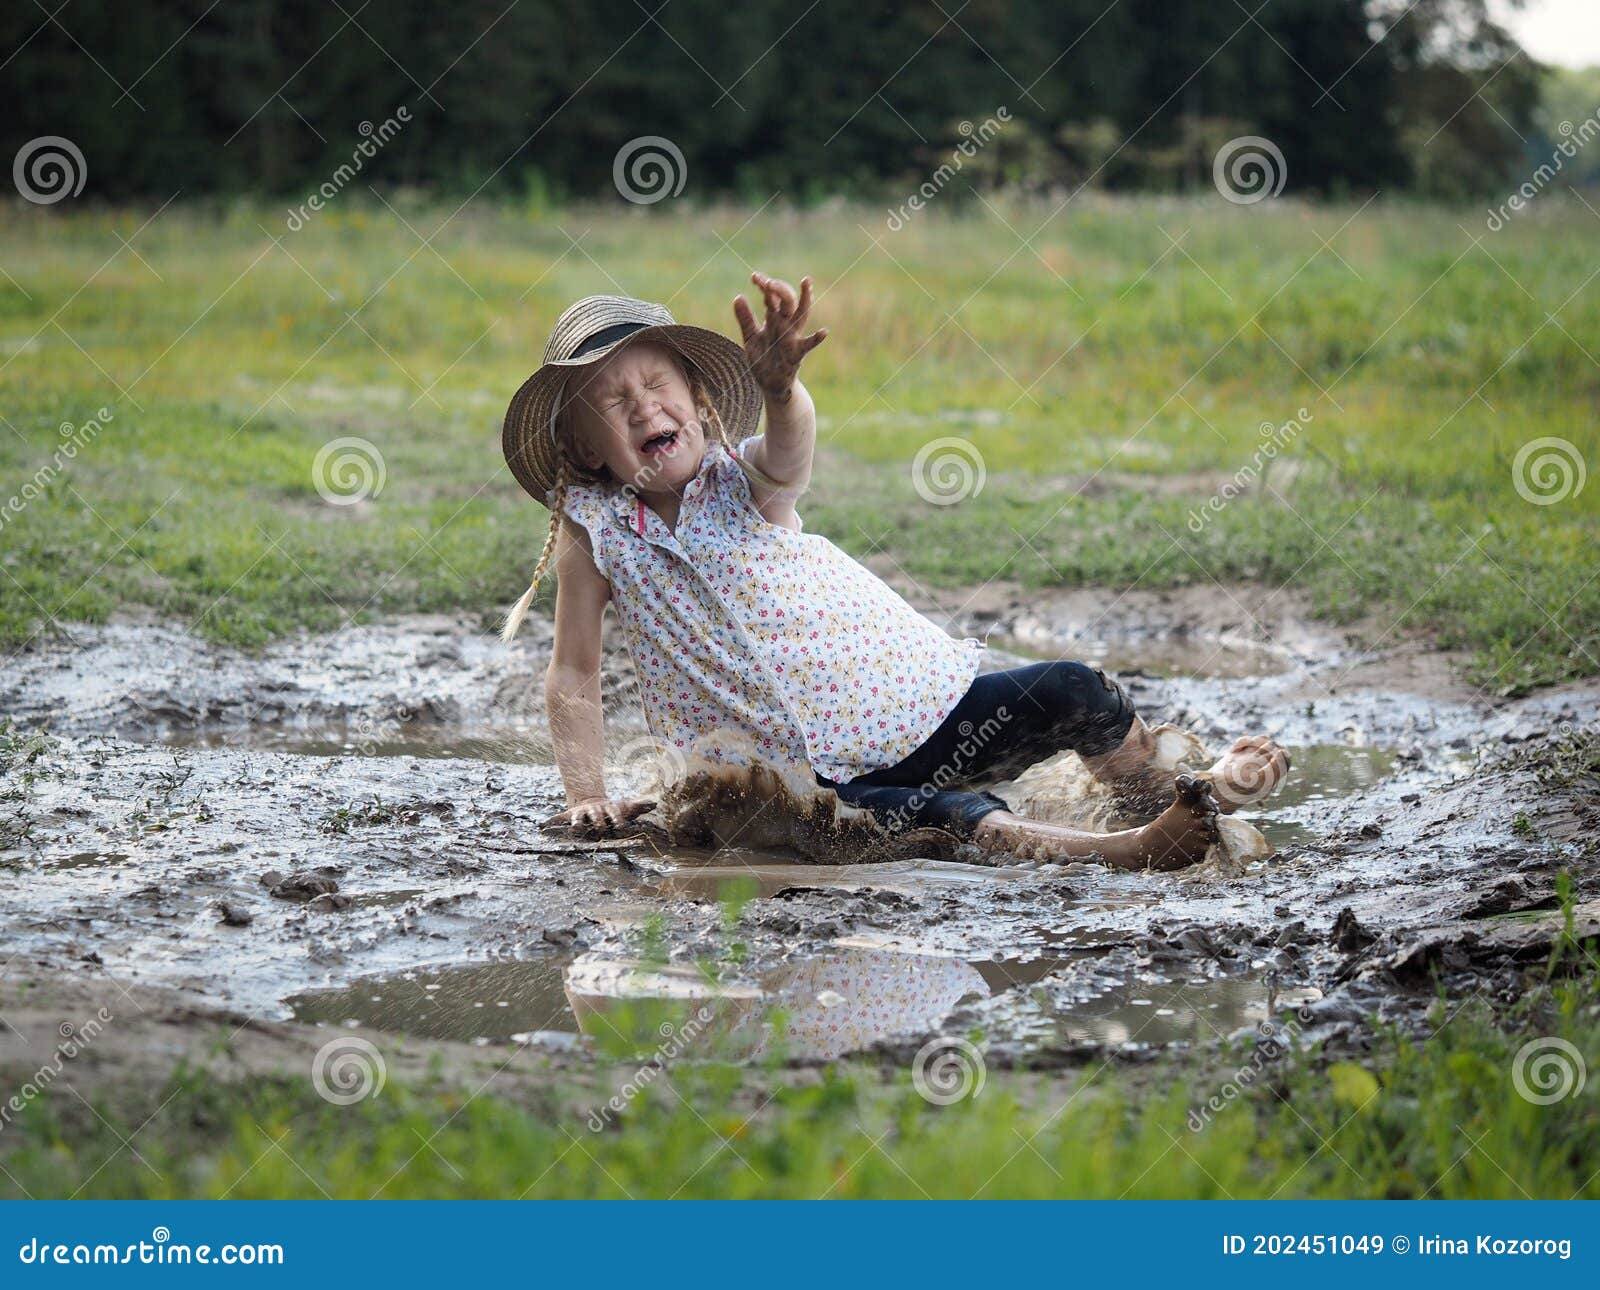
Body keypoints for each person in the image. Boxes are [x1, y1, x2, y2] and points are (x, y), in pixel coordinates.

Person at [498, 275, 1288, 870]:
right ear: (586, 448)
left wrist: (781, 390)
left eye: (655, 385)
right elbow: (572, 676)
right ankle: (1128, 852)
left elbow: (790, 450)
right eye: (611, 401)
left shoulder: (742, 483)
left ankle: (1176, 800)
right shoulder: (594, 534)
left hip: (913, 717)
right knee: (940, 815)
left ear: (699, 402)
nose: (641, 407)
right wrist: (585, 794)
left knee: (1075, 689)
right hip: (802, 782)